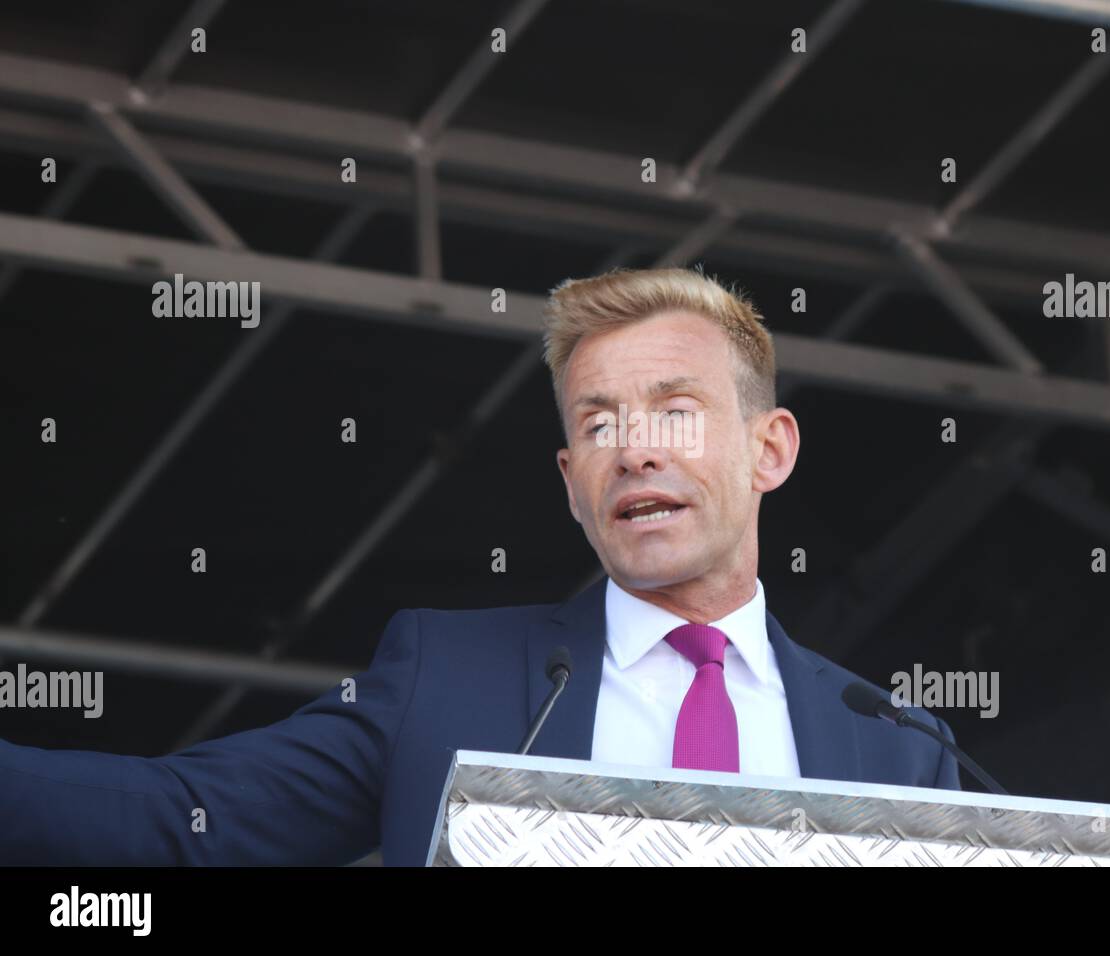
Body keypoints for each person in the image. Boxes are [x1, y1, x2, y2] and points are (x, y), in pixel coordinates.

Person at [0, 267, 959, 866]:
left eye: (673, 411)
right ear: (571, 482)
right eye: (596, 425)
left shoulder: (898, 744)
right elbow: (186, 819)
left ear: (770, 450)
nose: (633, 450)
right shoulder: (446, 680)